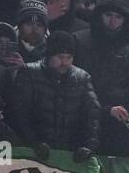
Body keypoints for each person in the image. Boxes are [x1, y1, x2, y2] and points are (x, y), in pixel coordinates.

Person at [9, 30, 102, 162]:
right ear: (49, 55)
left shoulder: (82, 78)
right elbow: (19, 112)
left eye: (69, 57)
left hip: (71, 154)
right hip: (33, 153)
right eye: (60, 57)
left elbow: (92, 115)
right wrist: (32, 142)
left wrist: (89, 146)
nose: (64, 62)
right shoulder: (29, 73)